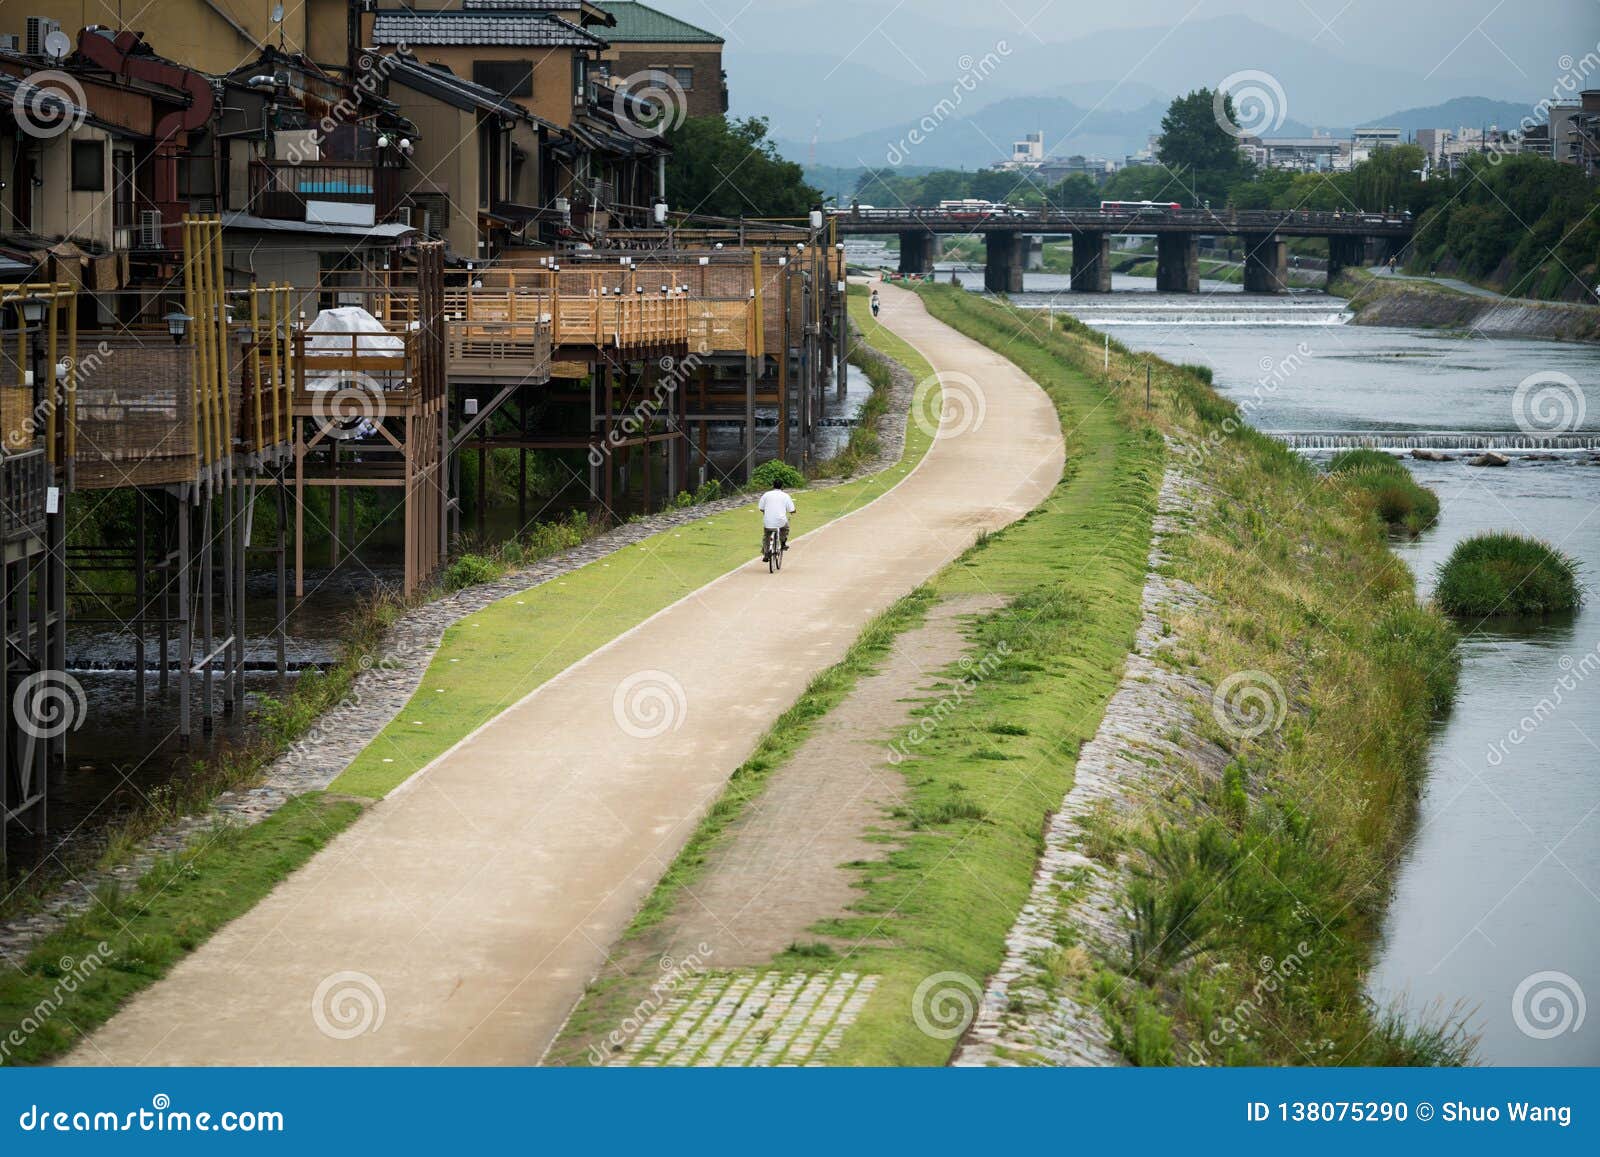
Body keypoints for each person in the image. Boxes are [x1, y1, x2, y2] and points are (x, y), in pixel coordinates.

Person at [758, 480, 795, 560]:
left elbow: (761, 508)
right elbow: (791, 509)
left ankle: (766, 553)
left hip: (768, 522)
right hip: (781, 521)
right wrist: (793, 511)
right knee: (785, 528)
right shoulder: (785, 495)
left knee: (766, 536)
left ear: (773, 485)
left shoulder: (766, 494)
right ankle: (783, 543)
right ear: (782, 486)